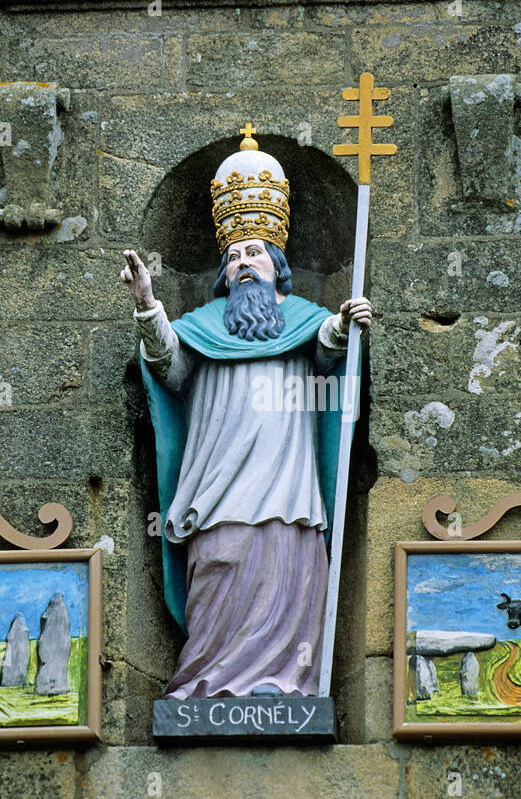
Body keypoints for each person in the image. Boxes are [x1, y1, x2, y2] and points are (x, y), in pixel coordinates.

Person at [121, 130, 371, 699]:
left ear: (277, 263)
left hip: (286, 486)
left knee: (285, 569)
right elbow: (170, 368)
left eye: (254, 252)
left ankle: (286, 684)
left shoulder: (306, 318)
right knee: (221, 565)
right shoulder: (204, 326)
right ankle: (207, 680)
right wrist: (147, 307)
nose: (244, 263)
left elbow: (329, 354)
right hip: (217, 485)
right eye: (234, 257)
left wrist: (344, 321)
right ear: (223, 273)